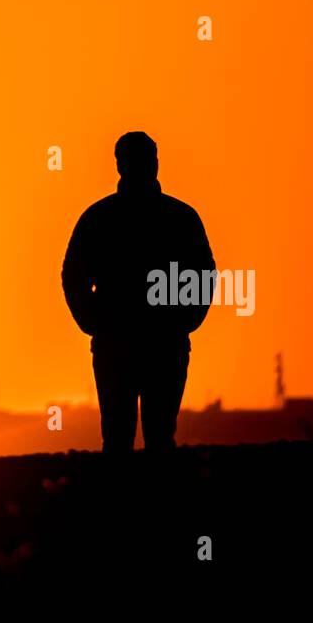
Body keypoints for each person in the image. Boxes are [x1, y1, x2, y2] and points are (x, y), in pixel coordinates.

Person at [62, 132, 215, 453]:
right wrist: (94, 323)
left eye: (150, 159)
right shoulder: (104, 218)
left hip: (158, 343)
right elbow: (74, 276)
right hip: (124, 344)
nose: (147, 166)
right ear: (120, 165)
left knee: (154, 438)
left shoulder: (175, 218)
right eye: (139, 160)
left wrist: (185, 322)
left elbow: (203, 273)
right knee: (122, 439)